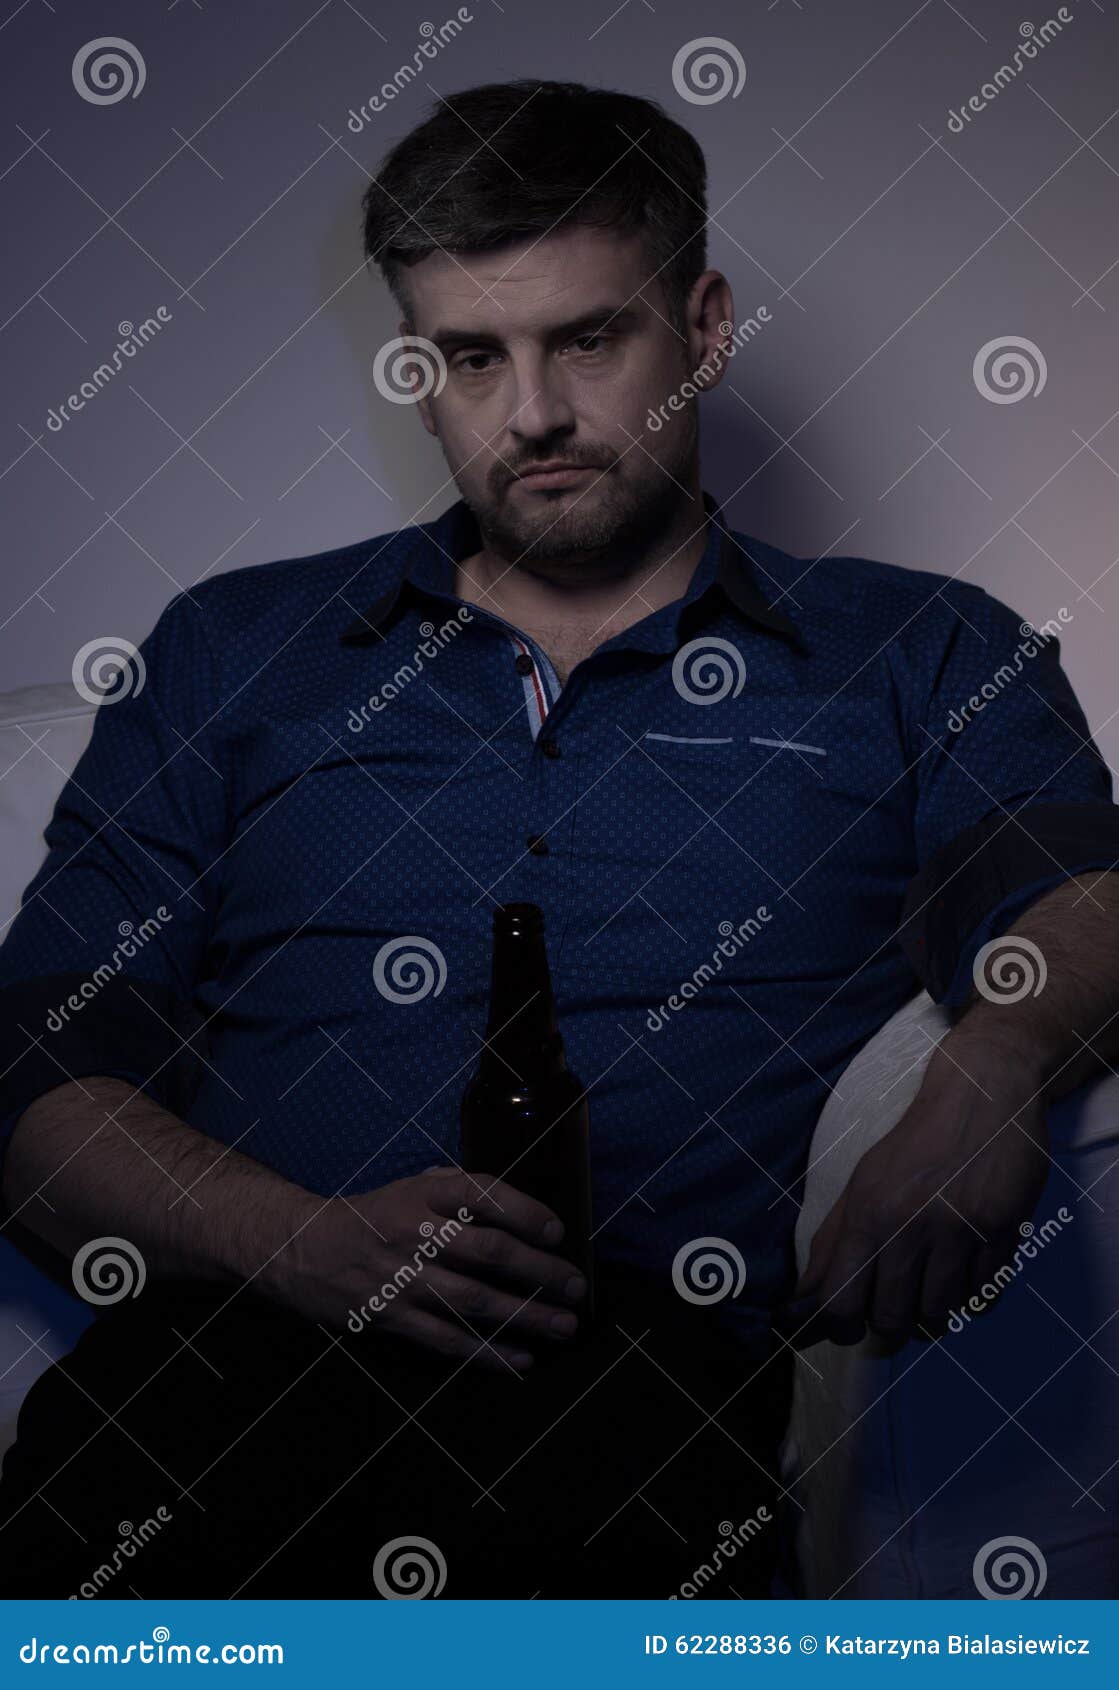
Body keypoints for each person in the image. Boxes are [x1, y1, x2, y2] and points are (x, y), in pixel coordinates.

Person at [1, 78, 1119, 1599]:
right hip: (221, 1372)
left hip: (636, 1397)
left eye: (587, 339)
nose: (529, 413)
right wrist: (304, 1242)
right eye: (470, 356)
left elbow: (1080, 890)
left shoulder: (912, 650)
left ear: (705, 327)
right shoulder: (234, 653)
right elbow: (43, 1070)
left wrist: (992, 1066)